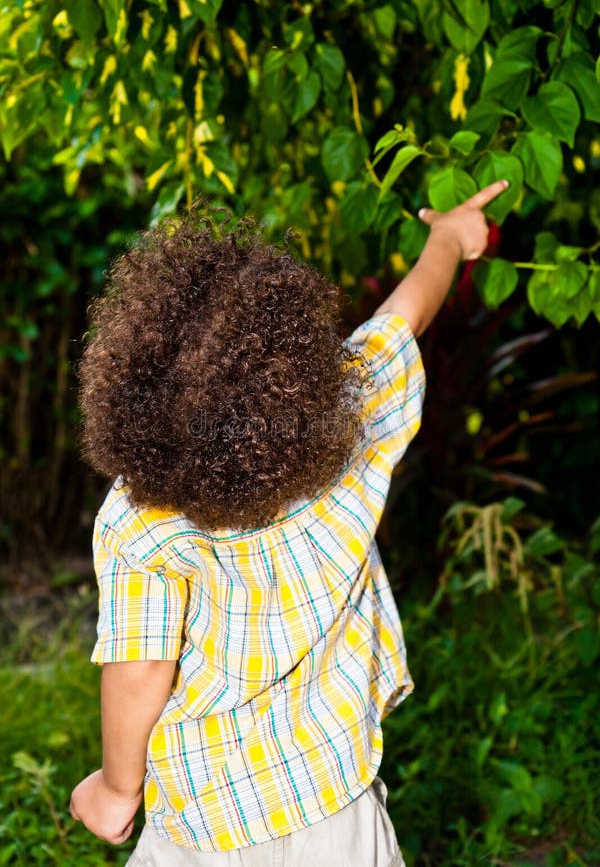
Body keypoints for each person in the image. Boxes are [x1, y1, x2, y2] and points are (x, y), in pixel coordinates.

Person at [70, 180, 509, 866]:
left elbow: (143, 665)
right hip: (336, 804)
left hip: (204, 819)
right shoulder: (352, 418)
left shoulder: (139, 520)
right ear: (295, 355)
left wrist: (116, 788)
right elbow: (406, 316)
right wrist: (450, 238)